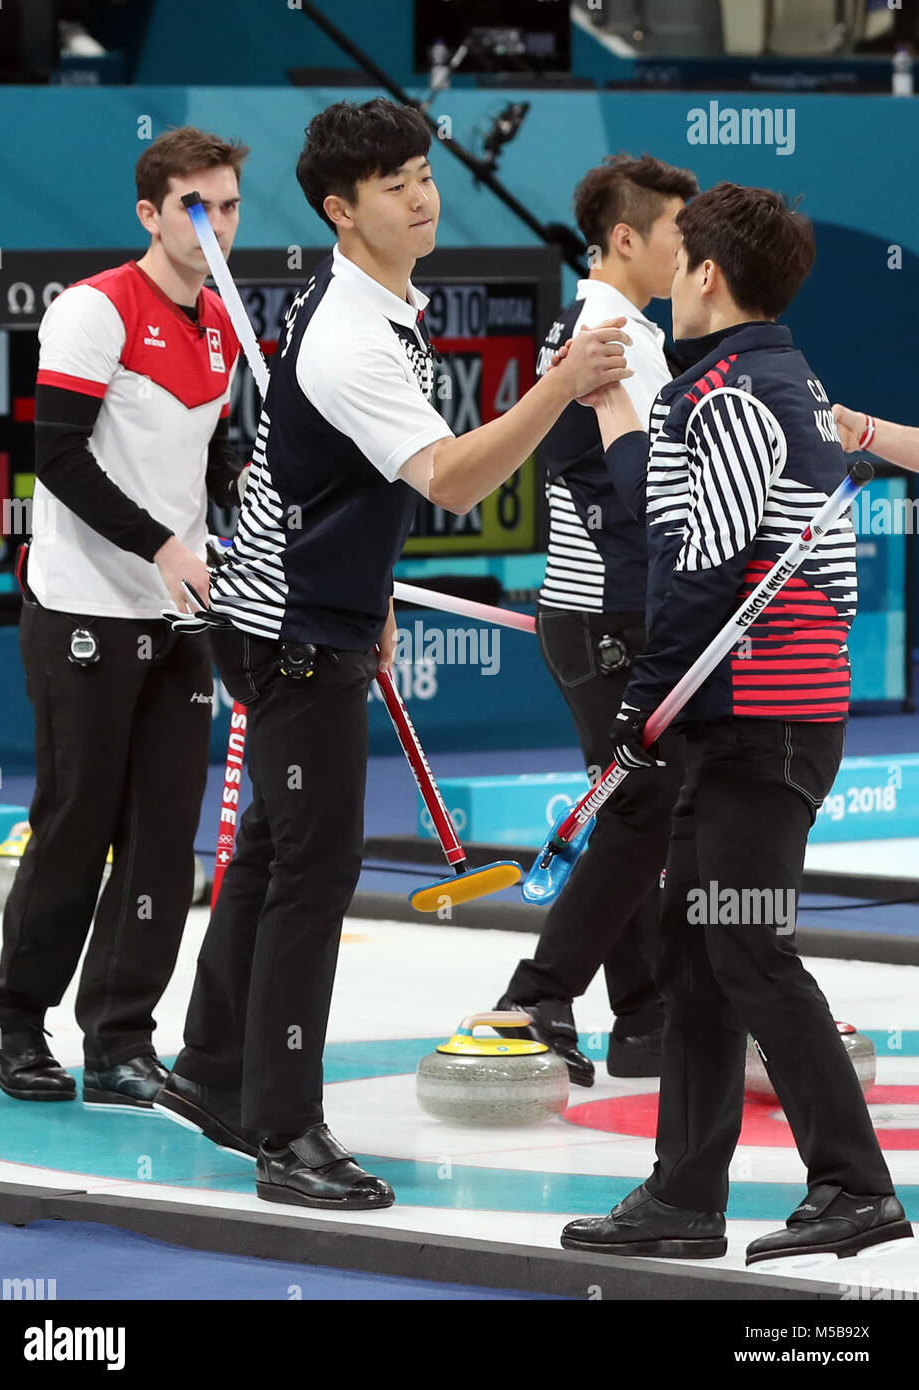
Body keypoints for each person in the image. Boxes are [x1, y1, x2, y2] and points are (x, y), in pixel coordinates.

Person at [152, 97, 632, 1211]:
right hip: (288, 637)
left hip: (305, 614)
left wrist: (364, 594)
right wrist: (559, 380)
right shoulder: (354, 333)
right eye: (396, 183)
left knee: (274, 855)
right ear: (339, 208)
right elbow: (452, 479)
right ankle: (285, 1131)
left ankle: (215, 1070)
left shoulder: (379, 303)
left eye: (425, 173)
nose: (425, 196)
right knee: (314, 872)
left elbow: (332, 484)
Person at [558, 183, 913, 1265]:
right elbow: (669, 524)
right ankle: (682, 1196)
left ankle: (854, 1184)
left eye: (680, 252)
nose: (666, 265)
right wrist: (615, 416)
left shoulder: (736, 394)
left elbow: (695, 570)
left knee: (746, 944)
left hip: (760, 720)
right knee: (698, 950)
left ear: (707, 274)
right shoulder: (769, 382)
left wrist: (638, 707)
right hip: (754, 716)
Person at [0, 127, 247, 1110]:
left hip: (178, 619)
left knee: (164, 835)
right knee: (75, 819)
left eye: (228, 205)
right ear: (151, 213)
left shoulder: (222, 319)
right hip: (85, 606)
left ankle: (120, 1036)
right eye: (194, 206)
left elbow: (205, 453)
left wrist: (234, 499)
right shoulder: (94, 311)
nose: (215, 224)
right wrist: (165, 547)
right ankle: (9, 1012)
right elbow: (62, 456)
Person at [493, 154, 698, 1086]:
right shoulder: (609, 328)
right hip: (605, 616)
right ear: (626, 238)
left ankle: (645, 1015)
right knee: (645, 806)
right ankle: (535, 995)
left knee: (632, 808)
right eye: (675, 233)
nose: (689, 250)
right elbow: (615, 490)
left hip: (598, 615)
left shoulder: (616, 327)